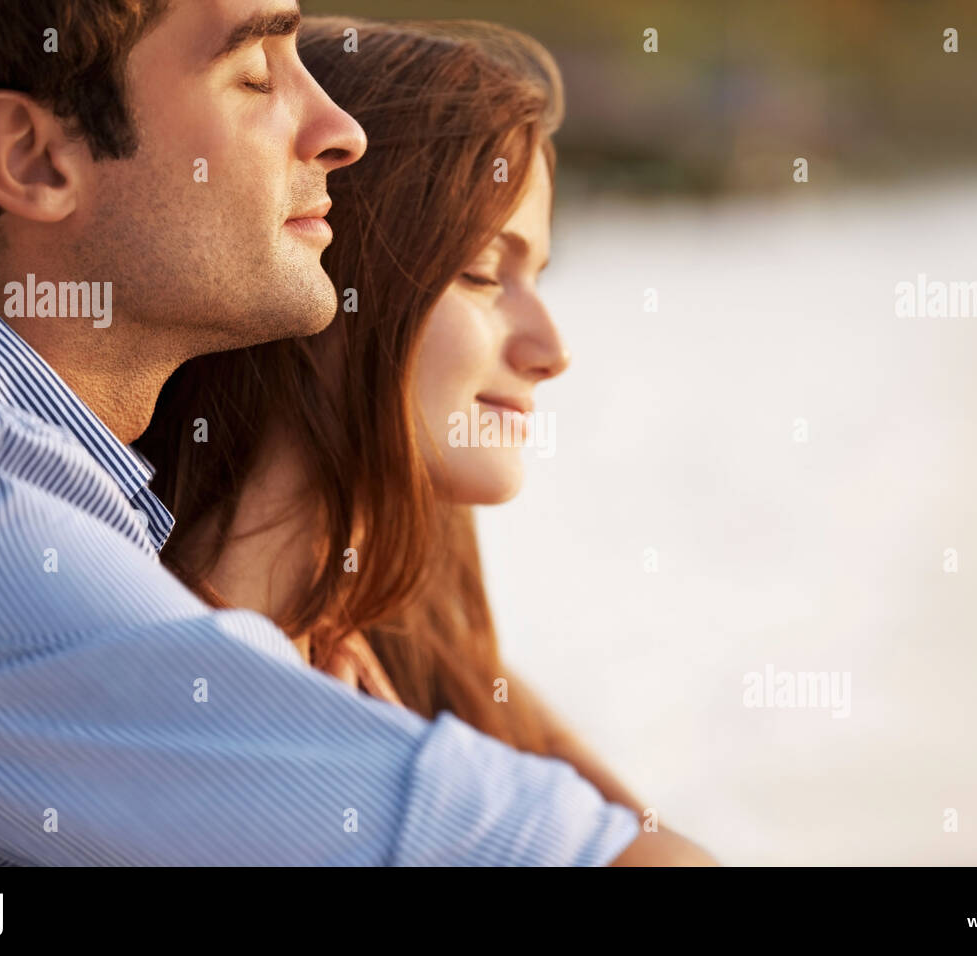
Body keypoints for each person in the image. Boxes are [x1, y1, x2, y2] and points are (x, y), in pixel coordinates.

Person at [0, 0, 710, 865]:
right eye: (253, 73)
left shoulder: (15, 487)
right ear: (35, 159)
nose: (343, 132)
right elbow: (529, 849)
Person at [140, 17, 650, 815]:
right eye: (483, 274)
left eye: (537, 278)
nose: (551, 349)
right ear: (321, 269)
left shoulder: (404, 628)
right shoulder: (175, 687)